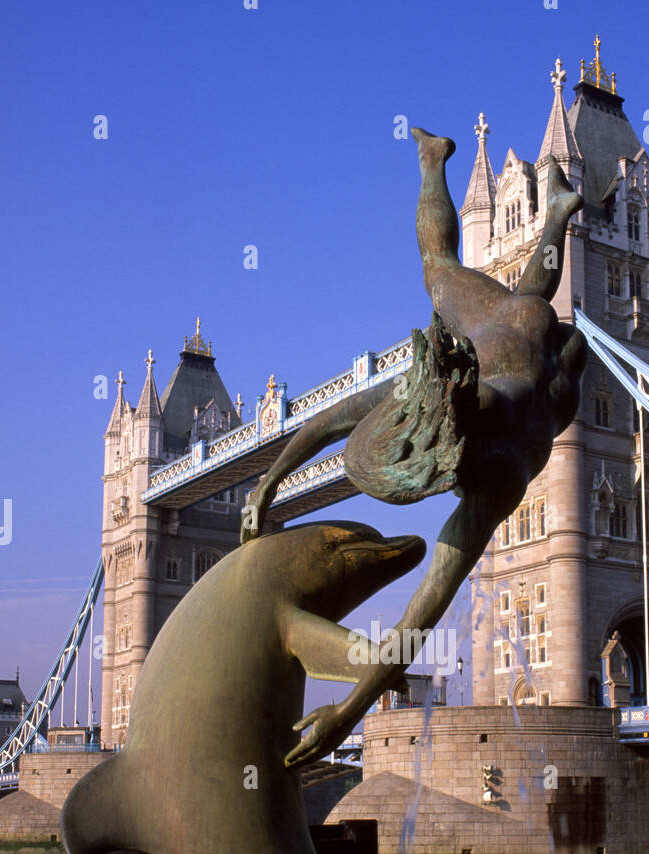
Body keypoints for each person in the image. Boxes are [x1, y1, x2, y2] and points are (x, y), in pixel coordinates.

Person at [241, 128, 587, 767]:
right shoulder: (455, 402)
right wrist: (267, 485)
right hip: (516, 333)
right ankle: (492, 185)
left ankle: (530, 204)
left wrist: (345, 716)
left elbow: (419, 617)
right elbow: (331, 423)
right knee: (446, 273)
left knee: (464, 275)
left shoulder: (500, 477)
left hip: (552, 374)